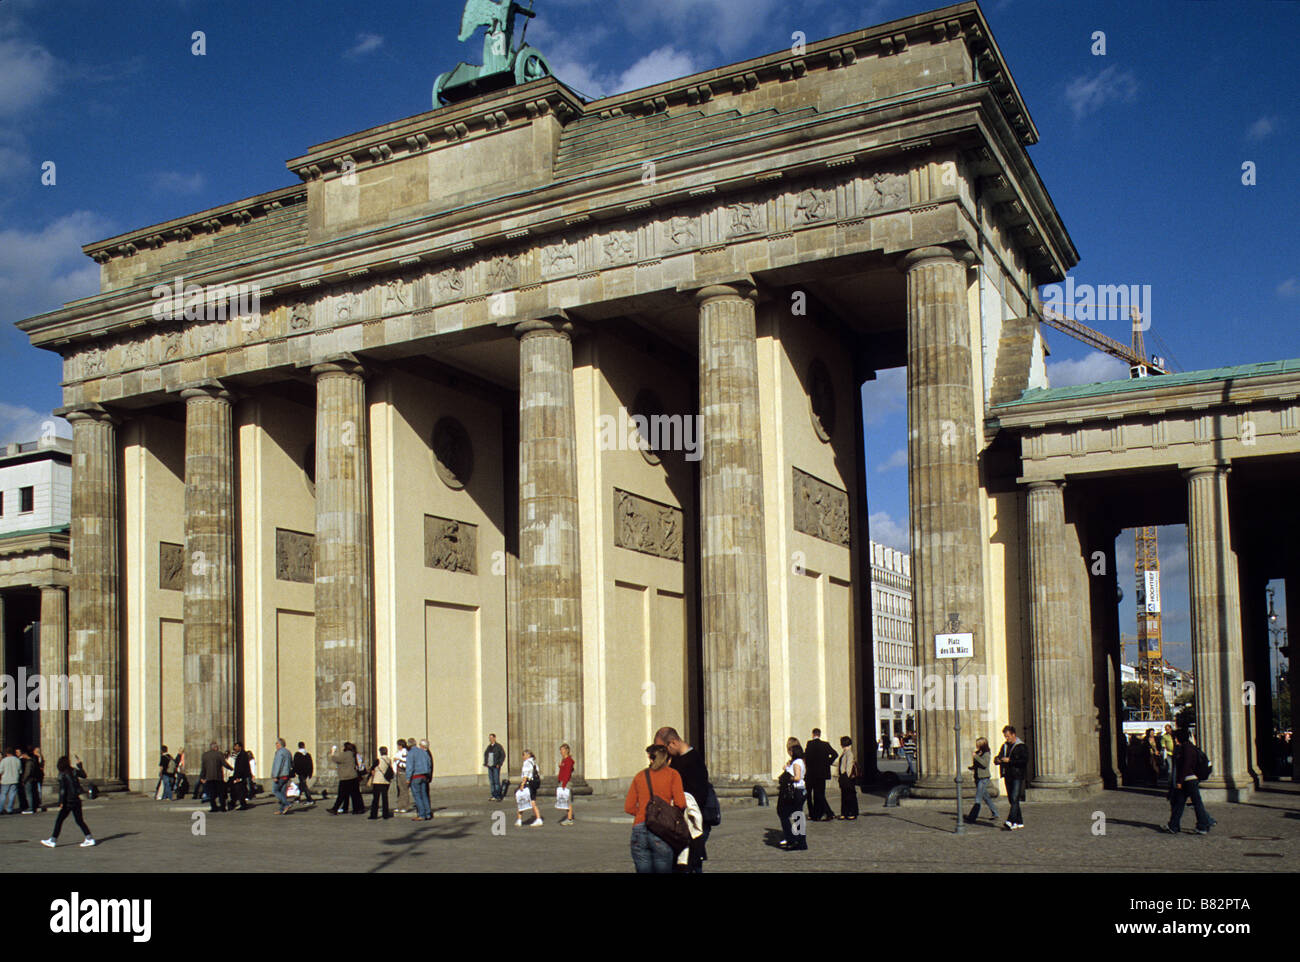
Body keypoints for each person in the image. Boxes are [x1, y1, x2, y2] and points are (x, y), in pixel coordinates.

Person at [654, 726, 715, 872]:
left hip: (694, 821)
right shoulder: (674, 760)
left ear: (673, 743)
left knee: (691, 863)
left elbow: (698, 796)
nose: (662, 754)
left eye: (663, 749)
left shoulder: (694, 761)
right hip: (680, 821)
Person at [624, 743, 686, 873]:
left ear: (650, 758)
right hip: (661, 829)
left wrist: (643, 813)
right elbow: (681, 803)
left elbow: (629, 807)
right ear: (667, 759)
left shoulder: (640, 776)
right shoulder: (673, 774)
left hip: (639, 828)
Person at [1162, 729, 1217, 836]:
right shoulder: (1186, 747)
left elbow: (1186, 766)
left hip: (1189, 779)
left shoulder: (1187, 748)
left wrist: (1179, 780)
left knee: (1196, 803)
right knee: (1180, 803)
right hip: (1189, 779)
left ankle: (1203, 824)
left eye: (1175, 737)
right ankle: (1174, 825)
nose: (1174, 740)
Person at [39, 756, 95, 848]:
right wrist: (79, 765)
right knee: (79, 820)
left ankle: (53, 840)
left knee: (59, 820)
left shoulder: (62, 774)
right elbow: (84, 775)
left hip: (68, 801)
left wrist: (61, 802)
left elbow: (63, 790)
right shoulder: (73, 771)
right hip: (76, 799)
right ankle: (89, 838)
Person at [777, 737, 808, 850]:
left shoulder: (796, 763)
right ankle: (799, 841)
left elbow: (797, 777)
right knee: (797, 816)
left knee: (785, 814)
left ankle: (793, 839)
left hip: (796, 792)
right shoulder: (799, 761)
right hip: (800, 791)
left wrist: (788, 775)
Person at [803, 728, 839, 821]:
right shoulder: (825, 744)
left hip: (811, 774)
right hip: (822, 774)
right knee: (820, 794)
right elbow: (835, 754)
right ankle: (819, 813)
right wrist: (827, 762)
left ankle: (826, 813)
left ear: (813, 734)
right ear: (820, 734)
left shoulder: (809, 744)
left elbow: (806, 757)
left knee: (815, 795)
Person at [995, 725, 1027, 830]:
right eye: (1005, 736)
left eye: (1008, 736)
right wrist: (998, 760)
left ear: (1013, 735)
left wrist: (1010, 761)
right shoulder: (1005, 746)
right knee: (1012, 800)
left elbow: (1024, 761)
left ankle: (1010, 820)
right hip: (1008, 775)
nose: (1006, 738)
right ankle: (1019, 822)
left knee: (1014, 798)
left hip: (1017, 775)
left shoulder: (1021, 746)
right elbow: (998, 757)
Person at [965, 736, 998, 824]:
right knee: (986, 797)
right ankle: (995, 813)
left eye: (978, 744)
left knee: (978, 798)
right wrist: (972, 767)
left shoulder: (986, 753)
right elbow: (978, 764)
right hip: (978, 777)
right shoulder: (978, 753)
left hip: (983, 778)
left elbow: (984, 764)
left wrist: (976, 757)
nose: (977, 746)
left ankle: (972, 817)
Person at [328, 742, 365, 815]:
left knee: (341, 794)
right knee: (355, 794)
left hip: (346, 777)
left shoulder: (345, 754)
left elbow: (337, 759)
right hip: (353, 776)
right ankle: (357, 809)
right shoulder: (353, 754)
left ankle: (335, 808)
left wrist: (332, 753)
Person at [406, 738, 433, 821]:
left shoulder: (410, 753)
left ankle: (421, 814)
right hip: (424, 776)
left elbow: (410, 766)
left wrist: (408, 778)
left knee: (417, 796)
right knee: (424, 794)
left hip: (415, 776)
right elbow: (429, 763)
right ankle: (428, 813)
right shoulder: (423, 752)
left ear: (409, 745)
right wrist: (428, 774)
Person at [200, 742, 231, 812]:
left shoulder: (205, 755)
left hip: (209, 777)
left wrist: (202, 777)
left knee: (211, 794)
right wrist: (231, 768)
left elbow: (203, 767)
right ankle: (222, 807)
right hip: (218, 777)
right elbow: (224, 763)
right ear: (216, 748)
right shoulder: (219, 754)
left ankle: (213, 807)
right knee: (221, 793)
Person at [515, 749, 543, 827]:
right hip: (534, 783)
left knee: (522, 800)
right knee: (531, 800)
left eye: (523, 755)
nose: (523, 757)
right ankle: (519, 819)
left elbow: (526, 775)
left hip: (528, 783)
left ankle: (537, 819)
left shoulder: (527, 763)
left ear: (528, 755)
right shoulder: (534, 763)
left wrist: (522, 784)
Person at [835, 735, 859, 820]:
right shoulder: (845, 752)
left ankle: (852, 812)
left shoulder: (849, 753)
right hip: (844, 776)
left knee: (850, 795)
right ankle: (844, 812)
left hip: (847, 777)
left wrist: (846, 776)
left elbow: (849, 766)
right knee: (844, 795)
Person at [368, 747, 394, 820]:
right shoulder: (388, 760)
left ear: (380, 752)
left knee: (376, 799)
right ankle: (385, 814)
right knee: (385, 798)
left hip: (378, 780)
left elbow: (372, 768)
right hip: (386, 781)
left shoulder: (378, 760)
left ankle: (374, 814)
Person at [270, 738, 294, 815]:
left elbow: (278, 765)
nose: (276, 745)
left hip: (280, 775)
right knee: (283, 793)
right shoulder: (288, 752)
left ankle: (287, 804)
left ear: (279, 744)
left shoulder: (279, 752)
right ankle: (281, 809)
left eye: (276, 744)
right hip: (286, 775)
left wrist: (275, 776)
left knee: (275, 790)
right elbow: (291, 764)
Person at [555, 743, 575, 825]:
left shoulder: (568, 760)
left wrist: (564, 784)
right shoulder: (564, 760)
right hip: (562, 781)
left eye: (562, 750)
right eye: (560, 750)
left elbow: (567, 773)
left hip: (565, 782)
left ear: (567, 750)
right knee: (565, 801)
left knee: (568, 800)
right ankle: (568, 817)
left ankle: (570, 819)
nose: (561, 752)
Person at [484, 733, 506, 802]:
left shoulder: (498, 746)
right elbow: (486, 755)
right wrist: (486, 763)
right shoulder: (489, 747)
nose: (490, 739)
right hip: (490, 766)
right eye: (489, 738)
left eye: (491, 738)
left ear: (494, 738)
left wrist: (499, 763)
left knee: (496, 781)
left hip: (496, 766)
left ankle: (498, 795)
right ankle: (493, 795)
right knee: (491, 781)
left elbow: (503, 755)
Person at [25, 747, 46, 813]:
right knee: (35, 790)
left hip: (36, 776)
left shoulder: (37, 758)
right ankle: (36, 803)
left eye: (38, 751)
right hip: (36, 776)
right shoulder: (34, 758)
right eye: (36, 751)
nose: (37, 752)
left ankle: (35, 803)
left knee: (36, 790)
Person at [0, 748, 20, 814]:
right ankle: (9, 809)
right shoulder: (17, 760)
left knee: (3, 795)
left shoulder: (4, 760)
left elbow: (0, 770)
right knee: (12, 795)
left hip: (5, 780)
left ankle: (0, 809)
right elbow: (20, 771)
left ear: (6, 753)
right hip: (14, 779)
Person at [392, 739, 409, 812]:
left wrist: (397, 759)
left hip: (402, 772)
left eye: (398, 745)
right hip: (398, 772)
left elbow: (405, 761)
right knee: (400, 789)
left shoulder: (405, 751)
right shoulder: (399, 752)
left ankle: (404, 806)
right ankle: (399, 806)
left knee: (404, 790)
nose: (398, 747)